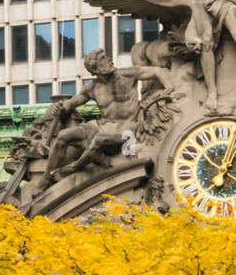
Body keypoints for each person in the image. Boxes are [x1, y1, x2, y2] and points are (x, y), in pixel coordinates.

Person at [39, 50, 175, 182]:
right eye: (103, 58)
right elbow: (69, 105)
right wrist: (60, 107)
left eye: (107, 56)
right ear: (95, 69)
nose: (109, 59)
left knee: (99, 139)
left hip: (127, 131)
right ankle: (45, 180)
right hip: (102, 128)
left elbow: (159, 71)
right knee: (63, 135)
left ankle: (72, 168)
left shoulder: (127, 75)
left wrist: (171, 91)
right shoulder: (92, 89)